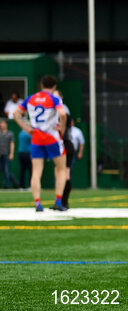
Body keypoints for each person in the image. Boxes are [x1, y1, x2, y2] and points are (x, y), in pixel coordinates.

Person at [12, 76, 69, 211]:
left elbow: (15, 113)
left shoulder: (31, 98)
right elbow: (62, 114)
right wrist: (62, 128)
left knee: (36, 172)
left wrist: (26, 128)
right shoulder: (54, 98)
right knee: (61, 169)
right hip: (52, 137)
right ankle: (58, 201)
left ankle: (38, 203)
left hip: (36, 137)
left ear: (41, 85)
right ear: (54, 87)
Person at [61, 117, 85, 207]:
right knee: (64, 174)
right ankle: (62, 200)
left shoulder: (65, 131)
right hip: (66, 149)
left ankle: (63, 201)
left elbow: (81, 142)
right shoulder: (64, 130)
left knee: (64, 174)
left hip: (66, 149)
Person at [0, 120, 17, 189]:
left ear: (6, 124)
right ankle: (15, 183)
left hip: (6, 154)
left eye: (3, 123)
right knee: (3, 169)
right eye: (1, 124)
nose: (2, 125)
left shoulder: (10, 133)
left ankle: (6, 185)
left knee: (6, 169)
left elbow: (12, 144)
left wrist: (11, 154)